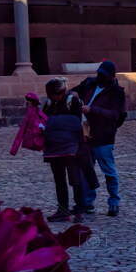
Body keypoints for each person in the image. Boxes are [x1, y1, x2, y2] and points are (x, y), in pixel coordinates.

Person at [73, 60, 127, 217]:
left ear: (111, 76)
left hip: (104, 137)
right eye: (99, 73)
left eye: (103, 75)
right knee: (86, 171)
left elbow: (116, 115)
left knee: (109, 171)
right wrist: (74, 94)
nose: (100, 77)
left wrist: (92, 110)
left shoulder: (117, 92)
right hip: (86, 135)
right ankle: (87, 202)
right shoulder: (90, 83)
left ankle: (114, 202)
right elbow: (74, 91)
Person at [41, 79, 89, 222]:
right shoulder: (49, 103)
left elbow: (77, 122)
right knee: (59, 179)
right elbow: (44, 120)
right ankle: (63, 210)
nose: (51, 97)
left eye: (53, 94)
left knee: (75, 178)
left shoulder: (73, 101)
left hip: (72, 146)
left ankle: (79, 209)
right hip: (54, 147)